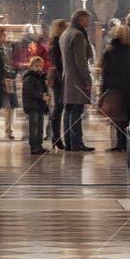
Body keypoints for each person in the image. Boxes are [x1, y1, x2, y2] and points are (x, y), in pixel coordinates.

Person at [59, 9, 95, 152]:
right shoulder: (78, 35)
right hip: (76, 79)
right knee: (76, 111)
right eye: (87, 19)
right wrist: (87, 80)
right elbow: (81, 62)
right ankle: (77, 143)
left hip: (67, 77)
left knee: (68, 111)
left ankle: (69, 143)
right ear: (80, 19)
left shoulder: (65, 33)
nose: (89, 22)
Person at [99, 23, 130, 151]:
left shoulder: (111, 51)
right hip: (128, 87)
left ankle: (119, 144)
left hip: (114, 88)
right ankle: (124, 144)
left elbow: (106, 72)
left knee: (116, 119)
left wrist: (103, 90)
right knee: (125, 117)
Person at [22, 55, 50, 157]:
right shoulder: (29, 78)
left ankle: (39, 145)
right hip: (32, 106)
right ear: (31, 66)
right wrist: (42, 96)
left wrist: (46, 95)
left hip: (40, 106)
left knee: (40, 127)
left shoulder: (41, 77)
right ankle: (34, 147)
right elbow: (30, 92)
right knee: (33, 127)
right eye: (36, 66)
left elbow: (43, 89)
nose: (39, 68)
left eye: (40, 66)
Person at [47, 18, 68, 150]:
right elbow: (59, 64)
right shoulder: (56, 44)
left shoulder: (57, 42)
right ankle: (55, 137)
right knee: (58, 107)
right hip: (58, 77)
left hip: (58, 76)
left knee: (59, 107)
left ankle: (56, 137)